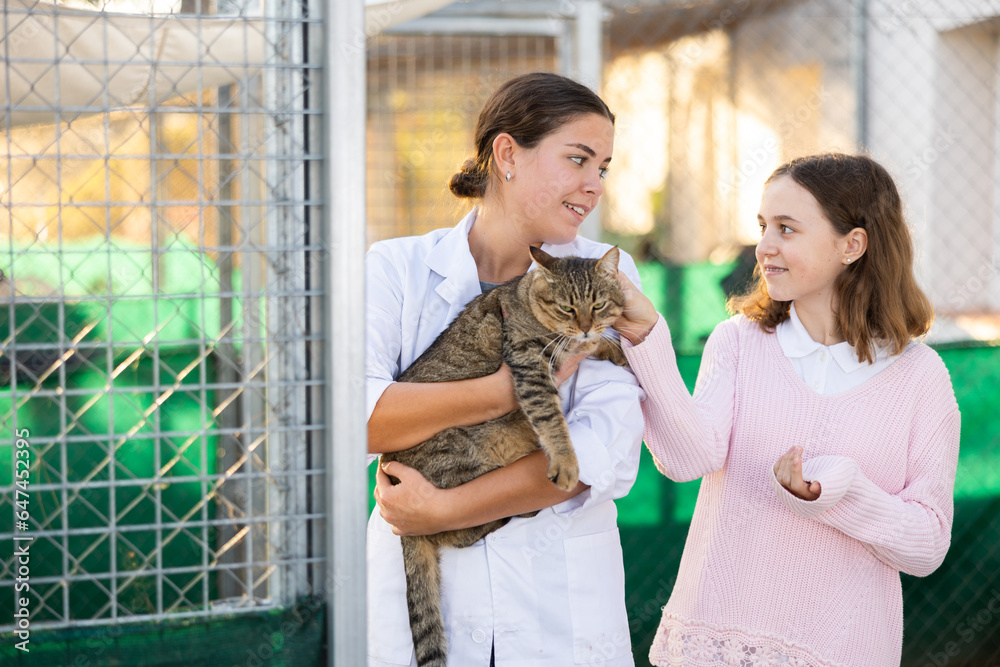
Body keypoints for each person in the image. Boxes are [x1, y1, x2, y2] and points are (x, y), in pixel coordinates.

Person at [612, 153, 960, 667]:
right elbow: (686, 460)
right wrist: (647, 338)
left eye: (787, 229)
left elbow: (927, 545)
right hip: (713, 648)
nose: (764, 247)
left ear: (853, 244)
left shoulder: (921, 377)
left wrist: (836, 490)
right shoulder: (737, 342)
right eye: (763, 226)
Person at [365, 72, 645, 667]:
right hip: (431, 594)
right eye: (578, 159)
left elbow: (600, 456)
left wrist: (442, 510)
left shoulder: (603, 276)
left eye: (604, 168)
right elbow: (361, 423)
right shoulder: (397, 268)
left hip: (558, 611)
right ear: (508, 153)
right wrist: (501, 393)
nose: (594, 185)